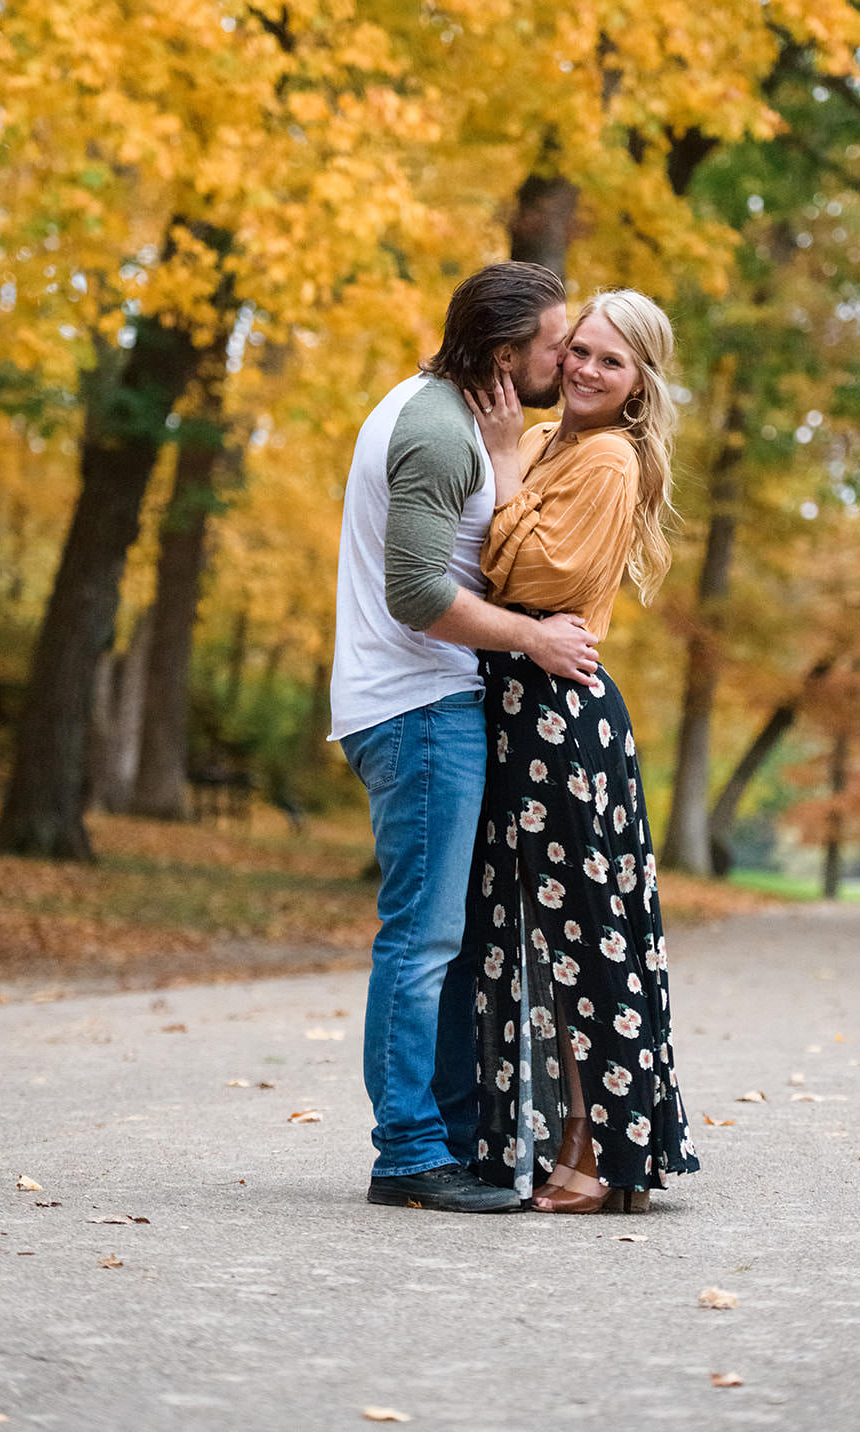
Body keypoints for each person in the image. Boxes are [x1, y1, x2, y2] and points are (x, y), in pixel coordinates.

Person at [329, 263, 599, 1213]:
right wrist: (533, 636)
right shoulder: (442, 434)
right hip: (417, 708)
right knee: (420, 941)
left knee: (440, 939)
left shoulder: (455, 418)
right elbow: (414, 594)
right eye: (555, 344)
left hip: (428, 705)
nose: (566, 358)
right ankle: (407, 1155)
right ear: (502, 354)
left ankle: (449, 1140)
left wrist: (510, 457)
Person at [464, 288, 700, 1212]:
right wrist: (509, 467)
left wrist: (497, 469)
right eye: (580, 351)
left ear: (639, 382)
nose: (585, 370)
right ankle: (566, 1143)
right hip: (521, 703)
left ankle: (598, 1153)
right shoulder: (549, 441)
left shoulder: (603, 456)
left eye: (610, 360)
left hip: (561, 719)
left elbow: (525, 573)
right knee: (541, 936)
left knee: (581, 943)